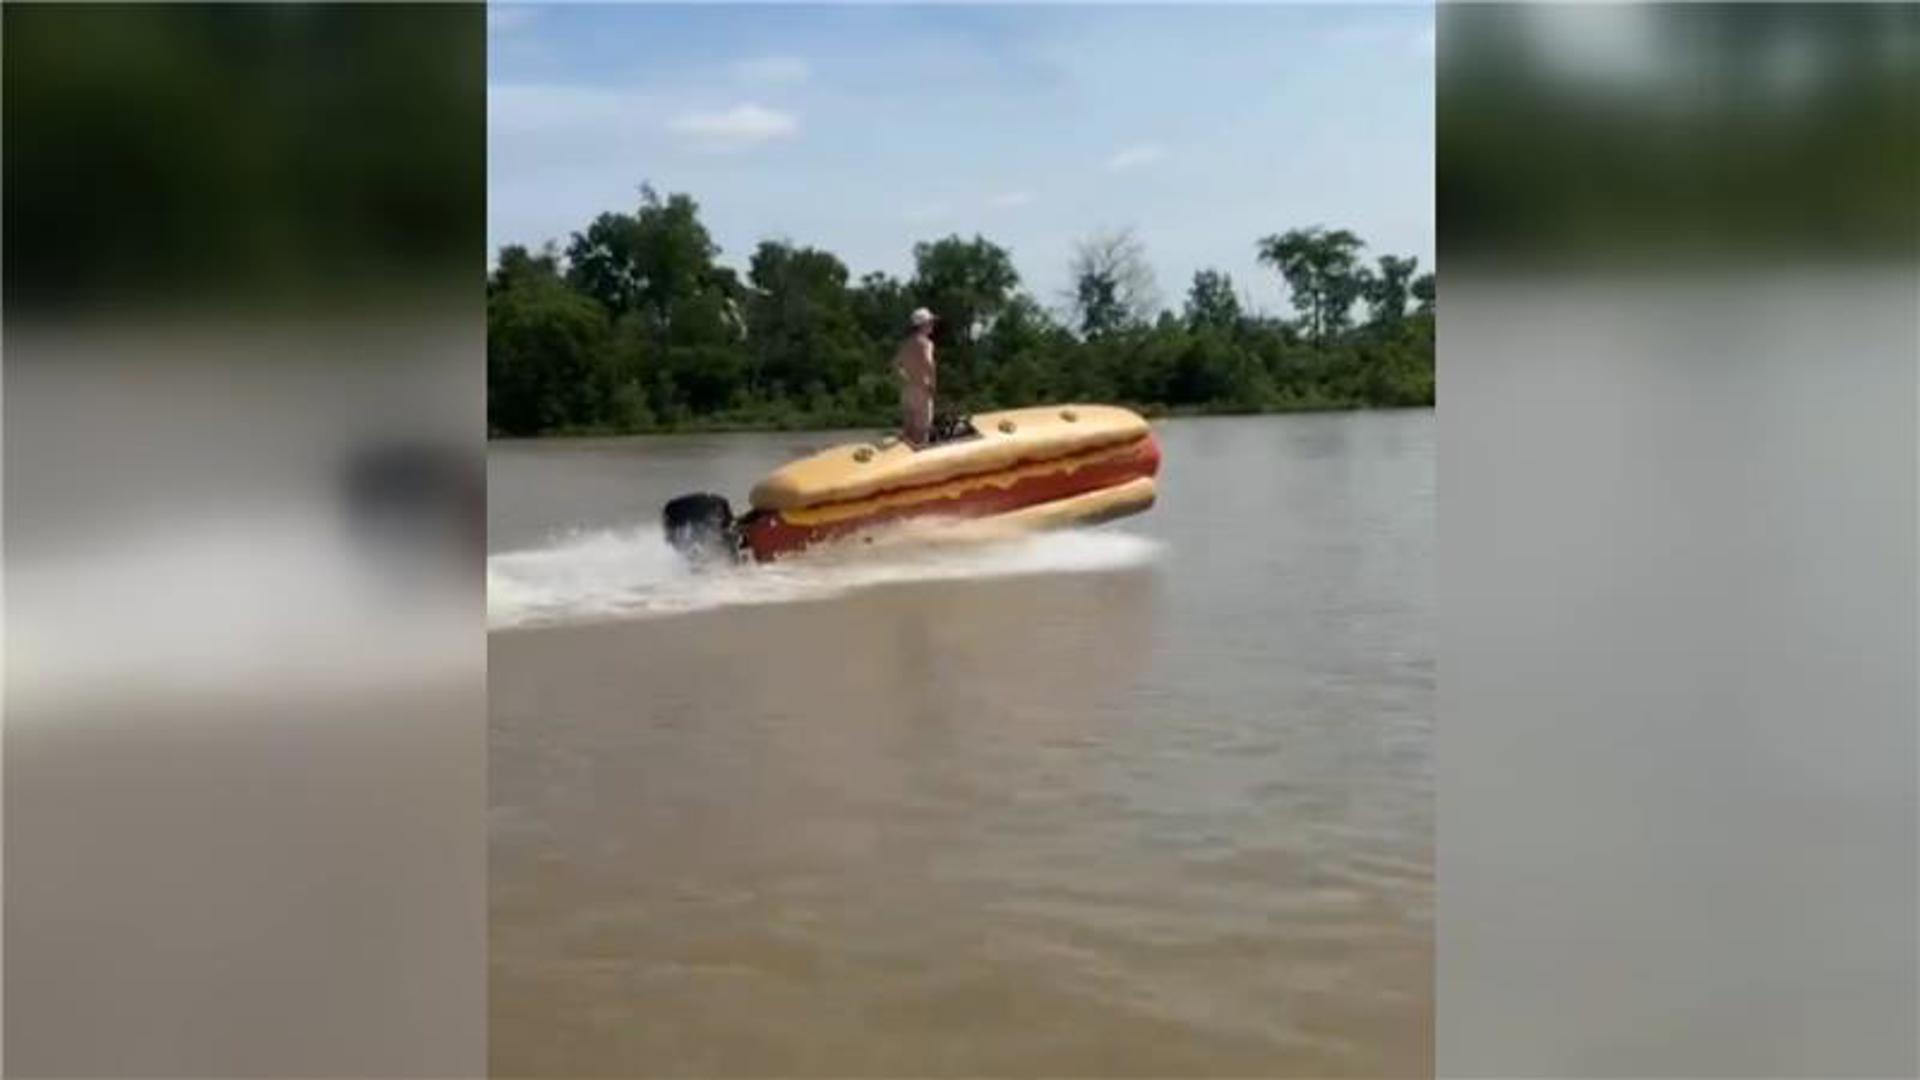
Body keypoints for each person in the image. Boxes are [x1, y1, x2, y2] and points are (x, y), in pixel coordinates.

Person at [894, 307, 938, 447]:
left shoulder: (905, 344)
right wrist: (932, 385)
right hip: (922, 390)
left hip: (907, 390)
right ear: (923, 325)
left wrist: (905, 378)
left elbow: (895, 364)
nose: (932, 325)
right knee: (921, 434)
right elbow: (928, 363)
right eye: (930, 322)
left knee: (908, 432)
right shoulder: (926, 343)